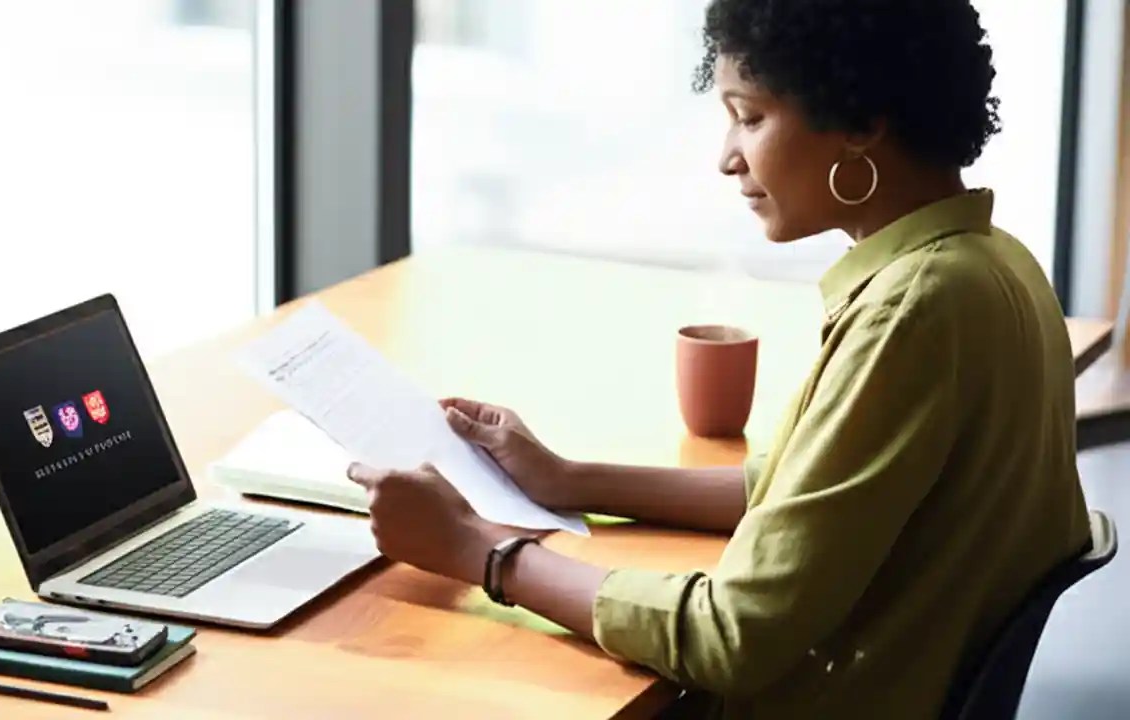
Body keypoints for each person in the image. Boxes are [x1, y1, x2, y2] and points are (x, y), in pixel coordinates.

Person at [345, 0, 1092, 716]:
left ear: (862, 120)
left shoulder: (915, 309)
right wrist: (568, 478)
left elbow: (732, 635)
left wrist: (481, 550)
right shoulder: (994, 264)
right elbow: (799, 492)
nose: (727, 158)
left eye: (750, 117)